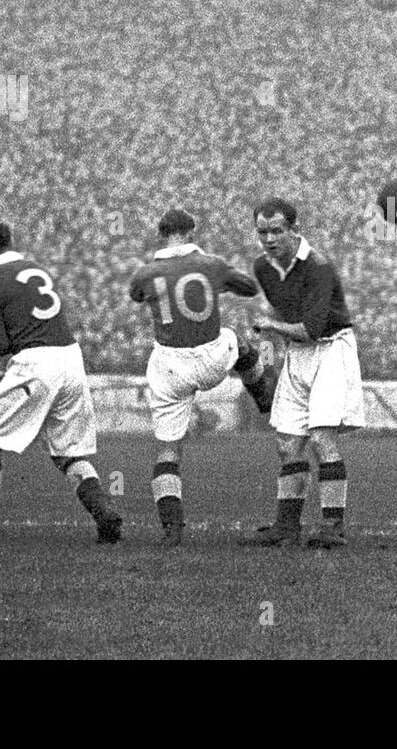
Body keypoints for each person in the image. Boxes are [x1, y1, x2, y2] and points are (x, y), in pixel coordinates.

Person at [0, 220, 121, 545]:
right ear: (10, 241)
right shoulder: (36, 269)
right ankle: (104, 512)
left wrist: (15, 367)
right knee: (69, 453)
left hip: (36, 363)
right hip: (71, 360)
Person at [128, 207, 275, 547]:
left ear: (161, 235)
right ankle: (263, 398)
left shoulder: (145, 273)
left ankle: (172, 528)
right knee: (237, 340)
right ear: (192, 233)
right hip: (210, 357)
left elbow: (137, 294)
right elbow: (250, 288)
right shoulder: (212, 264)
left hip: (169, 366)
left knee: (168, 449)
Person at [245, 198, 364, 549]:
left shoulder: (318, 267)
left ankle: (333, 525)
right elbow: (291, 315)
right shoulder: (263, 268)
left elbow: (312, 328)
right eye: (262, 232)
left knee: (320, 438)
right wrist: (279, 329)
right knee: (287, 443)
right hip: (298, 353)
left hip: (330, 349)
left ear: (295, 230)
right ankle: (287, 526)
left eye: (277, 231)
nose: (269, 239)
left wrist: (269, 325)